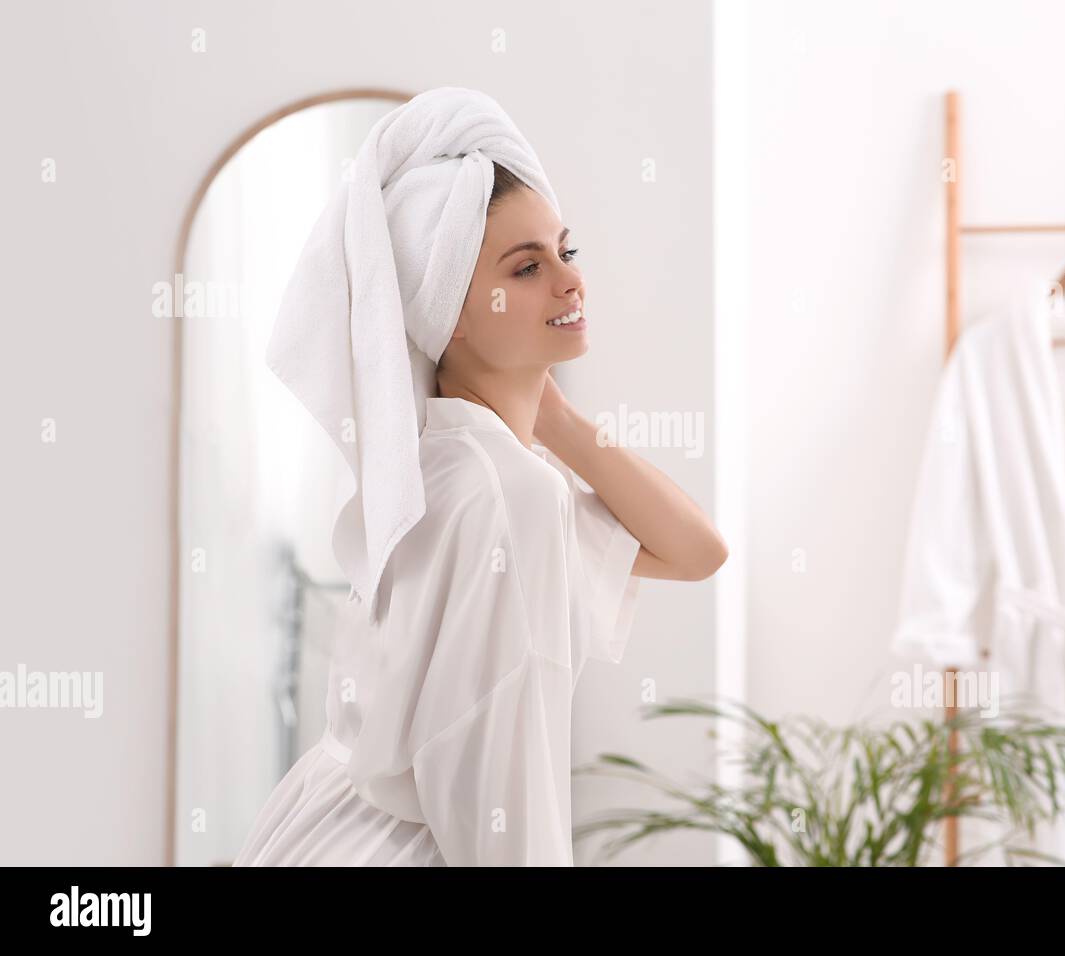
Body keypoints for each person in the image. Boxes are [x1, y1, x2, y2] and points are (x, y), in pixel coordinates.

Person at [233, 88, 725, 866]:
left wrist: (553, 419)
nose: (570, 283)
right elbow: (493, 782)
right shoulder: (505, 489)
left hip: (315, 831)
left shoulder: (450, 465)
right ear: (447, 310)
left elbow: (697, 551)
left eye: (566, 251)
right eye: (526, 268)